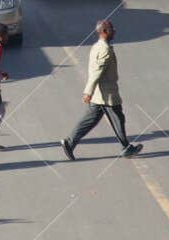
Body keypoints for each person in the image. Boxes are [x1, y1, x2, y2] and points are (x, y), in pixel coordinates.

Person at [60, 20, 140, 159]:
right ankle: (126, 147)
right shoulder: (104, 49)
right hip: (106, 93)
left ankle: (69, 142)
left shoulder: (97, 46)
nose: (114, 31)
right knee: (118, 118)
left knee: (91, 120)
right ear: (103, 32)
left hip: (100, 93)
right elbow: (97, 71)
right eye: (111, 29)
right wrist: (88, 91)